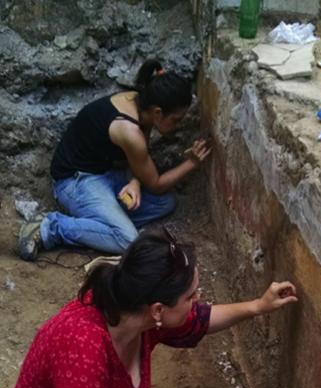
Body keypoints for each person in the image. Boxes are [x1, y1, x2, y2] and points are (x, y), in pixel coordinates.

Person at [0, 228, 298, 388]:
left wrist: (259, 306)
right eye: (191, 295)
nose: (198, 301)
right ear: (157, 309)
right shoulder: (82, 347)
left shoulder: (137, 312)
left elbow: (201, 319)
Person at [18, 59, 211, 261]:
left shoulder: (141, 103)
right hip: (75, 182)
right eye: (176, 120)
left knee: (165, 204)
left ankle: (102, 225)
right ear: (158, 113)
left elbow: (139, 161)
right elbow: (156, 185)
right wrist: (192, 163)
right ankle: (50, 226)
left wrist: (134, 183)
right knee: (128, 240)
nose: (178, 125)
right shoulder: (129, 130)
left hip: (104, 174)